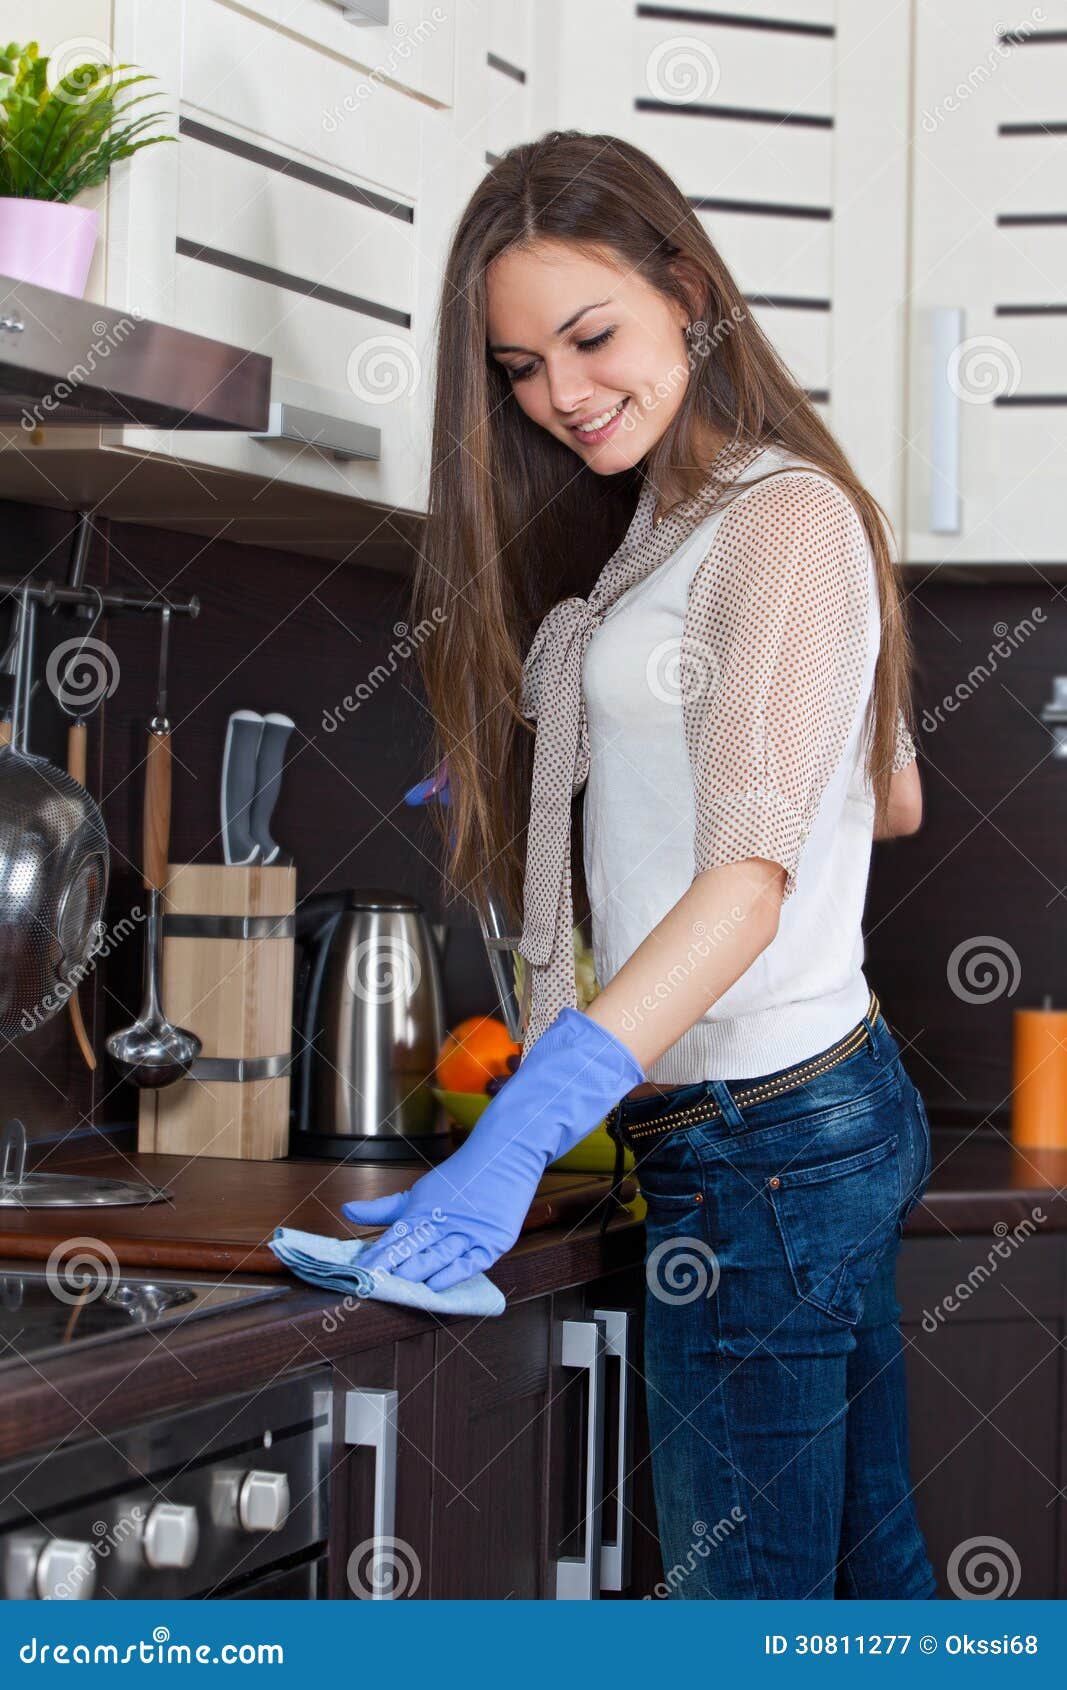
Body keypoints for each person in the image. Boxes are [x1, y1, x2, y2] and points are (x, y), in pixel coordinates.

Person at [341, 130, 936, 1600]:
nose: (560, 393)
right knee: (871, 1598)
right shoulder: (669, 527)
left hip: (767, 1141)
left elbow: (748, 883)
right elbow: (896, 798)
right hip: (794, 1118)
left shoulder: (778, 518)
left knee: (742, 1627)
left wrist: (531, 1120)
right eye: (520, 366)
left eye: (591, 335)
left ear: (687, 291)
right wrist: (655, 759)